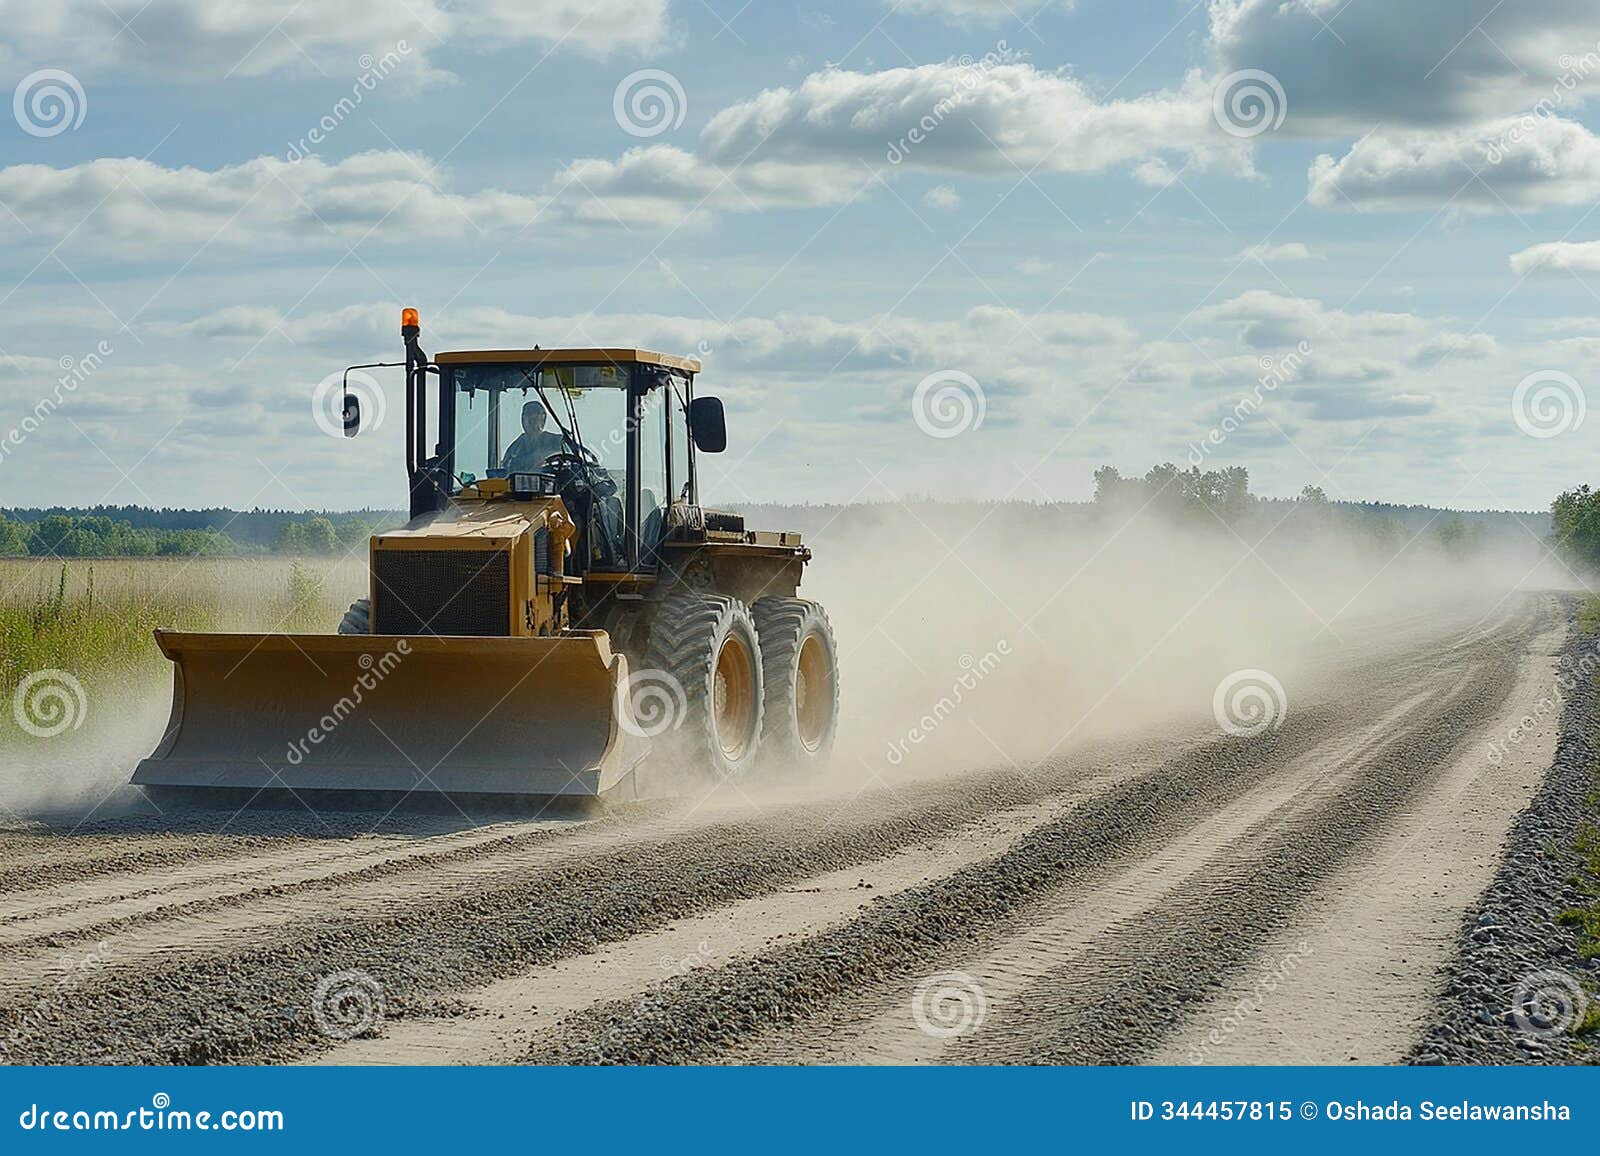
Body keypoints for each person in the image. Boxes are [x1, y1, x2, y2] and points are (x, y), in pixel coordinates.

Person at [501, 401, 566, 474]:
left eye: (534, 419)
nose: (532, 422)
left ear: (543, 419)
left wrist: (547, 456)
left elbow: (574, 458)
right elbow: (505, 471)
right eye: (528, 418)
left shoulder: (558, 441)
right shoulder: (514, 449)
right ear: (522, 420)